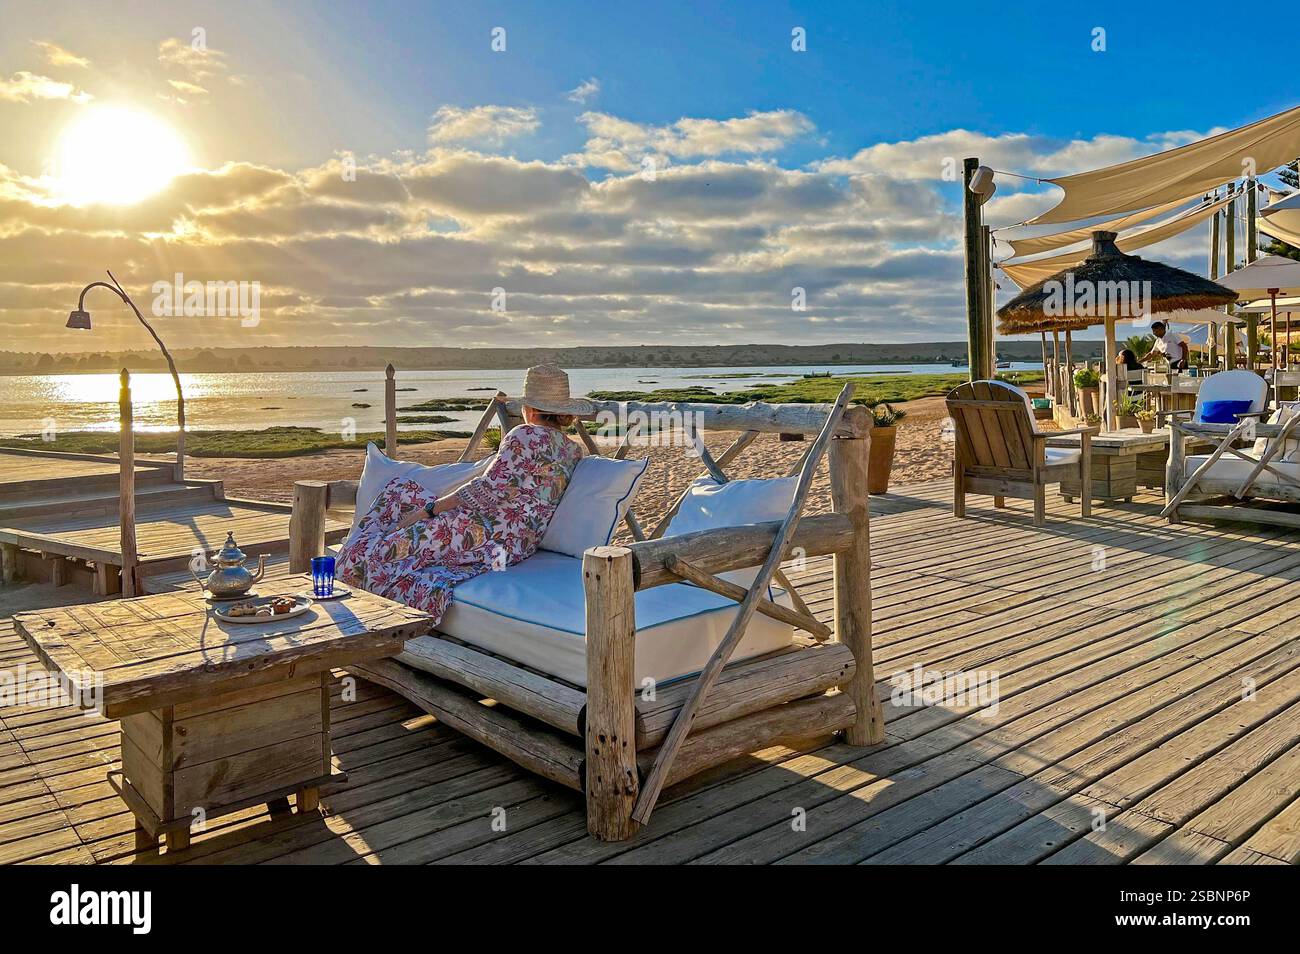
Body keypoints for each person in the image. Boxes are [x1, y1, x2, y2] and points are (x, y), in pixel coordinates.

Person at [337, 364, 588, 619]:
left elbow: (487, 490)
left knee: (381, 551)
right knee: (401, 490)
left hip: (485, 533)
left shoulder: (524, 435)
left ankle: (353, 564)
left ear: (530, 409)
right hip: (518, 544)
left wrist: (430, 511)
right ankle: (375, 540)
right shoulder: (573, 450)